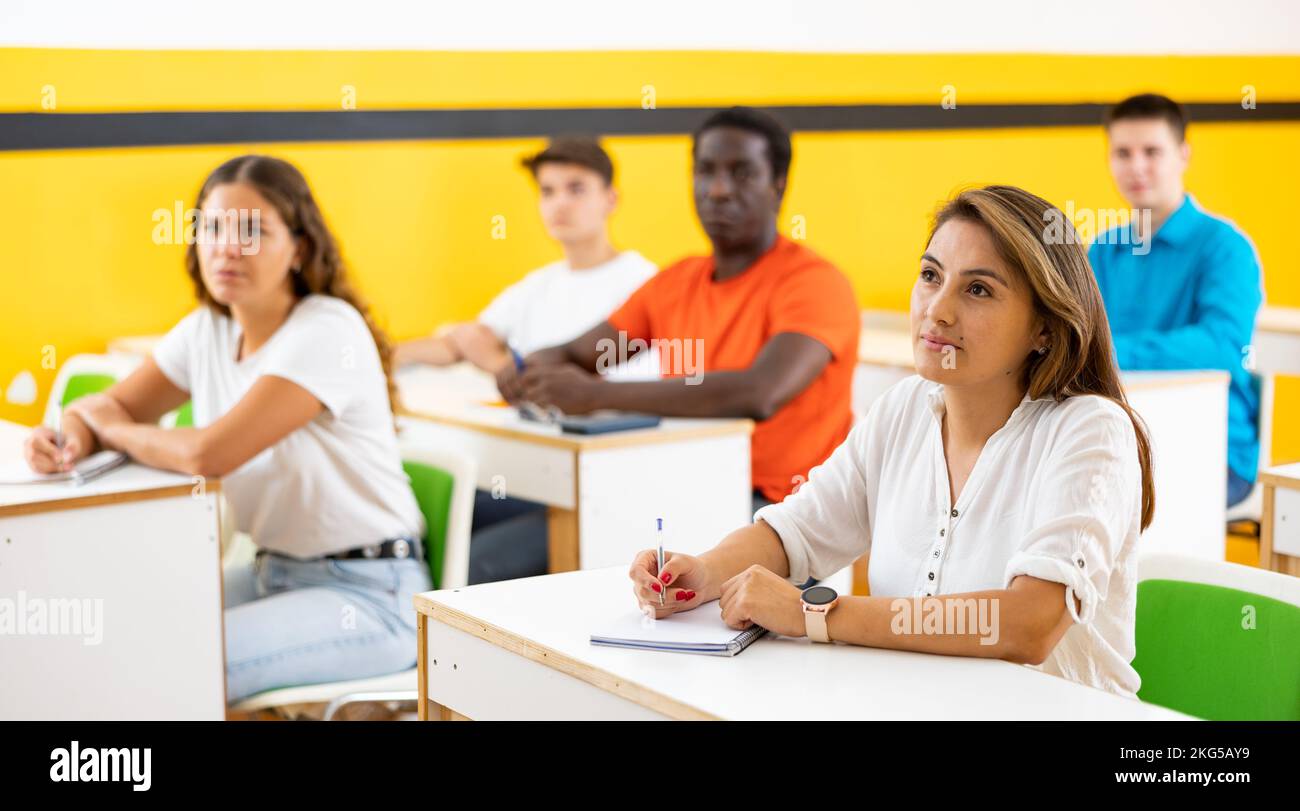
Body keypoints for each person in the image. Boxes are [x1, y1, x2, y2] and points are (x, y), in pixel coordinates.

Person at [628, 186, 1156, 698]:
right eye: (930, 276)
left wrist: (816, 613)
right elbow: (798, 532)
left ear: (1044, 328)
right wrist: (706, 572)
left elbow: (1028, 624)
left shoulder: (1091, 430)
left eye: (978, 289)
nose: (938, 310)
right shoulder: (906, 407)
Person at [23, 155, 428, 704]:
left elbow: (207, 454)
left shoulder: (327, 329)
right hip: (273, 575)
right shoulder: (207, 330)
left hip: (371, 596)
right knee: (115, 633)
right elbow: (109, 405)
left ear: (299, 248)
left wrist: (111, 427)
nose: (227, 246)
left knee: (176, 662)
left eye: (253, 231)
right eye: (212, 228)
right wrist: (68, 436)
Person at [478, 106, 859, 586]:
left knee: (497, 564)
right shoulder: (678, 282)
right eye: (706, 171)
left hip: (779, 515)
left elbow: (760, 392)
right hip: (676, 487)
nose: (718, 189)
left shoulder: (813, 283)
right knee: (483, 522)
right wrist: (530, 367)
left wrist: (594, 395)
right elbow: (587, 353)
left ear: (778, 183)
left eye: (741, 173)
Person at [1089, 93, 1263, 507]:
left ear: (1183, 155)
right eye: (1122, 153)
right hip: (1118, 437)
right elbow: (1076, 332)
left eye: (1152, 151)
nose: (1136, 167)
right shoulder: (1104, 249)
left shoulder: (1225, 247)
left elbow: (1222, 345)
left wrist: (1106, 353)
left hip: (1210, 446)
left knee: (1109, 501)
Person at [394, 136, 655, 372]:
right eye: (547, 191)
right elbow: (461, 344)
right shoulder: (537, 286)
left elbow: (605, 388)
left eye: (576, 189)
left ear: (611, 199)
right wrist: (383, 353)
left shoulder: (644, 283)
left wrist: (498, 365)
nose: (560, 203)